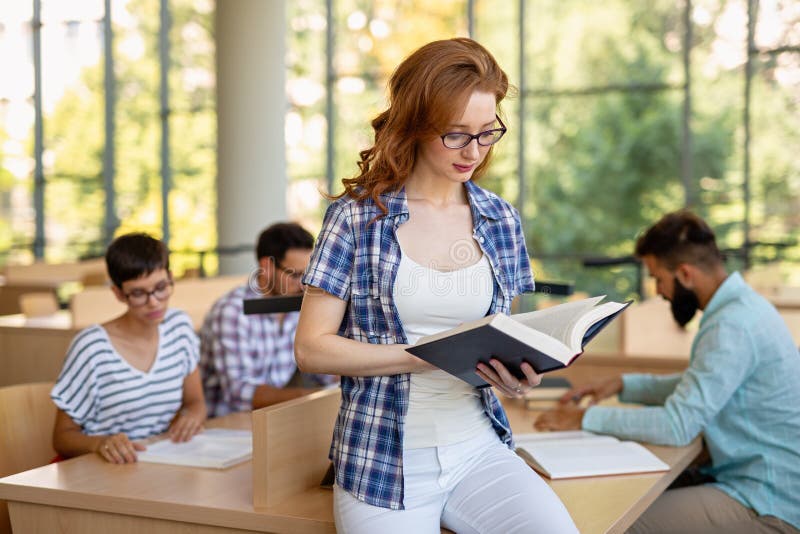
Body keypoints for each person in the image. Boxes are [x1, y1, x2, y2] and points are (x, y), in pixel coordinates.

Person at [294, 38, 578, 533]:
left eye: (487, 133)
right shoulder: (357, 218)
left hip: (478, 449)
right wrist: (425, 352)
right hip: (382, 463)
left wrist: (515, 374)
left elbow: (501, 331)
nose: (474, 151)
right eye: (455, 135)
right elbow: (311, 349)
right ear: (416, 126)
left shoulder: (500, 219)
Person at [535, 210, 800, 534]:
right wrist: (622, 385)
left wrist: (582, 419)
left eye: (659, 279)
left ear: (685, 274)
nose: (660, 292)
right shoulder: (745, 308)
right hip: (764, 483)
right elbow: (703, 384)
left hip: (768, 502)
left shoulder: (731, 325)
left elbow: (677, 425)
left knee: (620, 522)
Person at [51, 233, 206, 464]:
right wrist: (100, 443)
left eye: (161, 287)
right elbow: (62, 438)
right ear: (118, 293)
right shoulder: (92, 347)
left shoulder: (179, 327)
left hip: (158, 461)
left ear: (171, 278)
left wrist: (191, 417)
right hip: (103, 468)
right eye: (138, 293)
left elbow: (196, 402)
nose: (153, 302)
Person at [199, 222, 336, 418]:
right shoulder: (233, 311)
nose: (304, 284)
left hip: (269, 419)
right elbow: (239, 393)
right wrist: (311, 397)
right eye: (296, 275)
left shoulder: (295, 304)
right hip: (225, 426)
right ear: (267, 267)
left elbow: (320, 368)